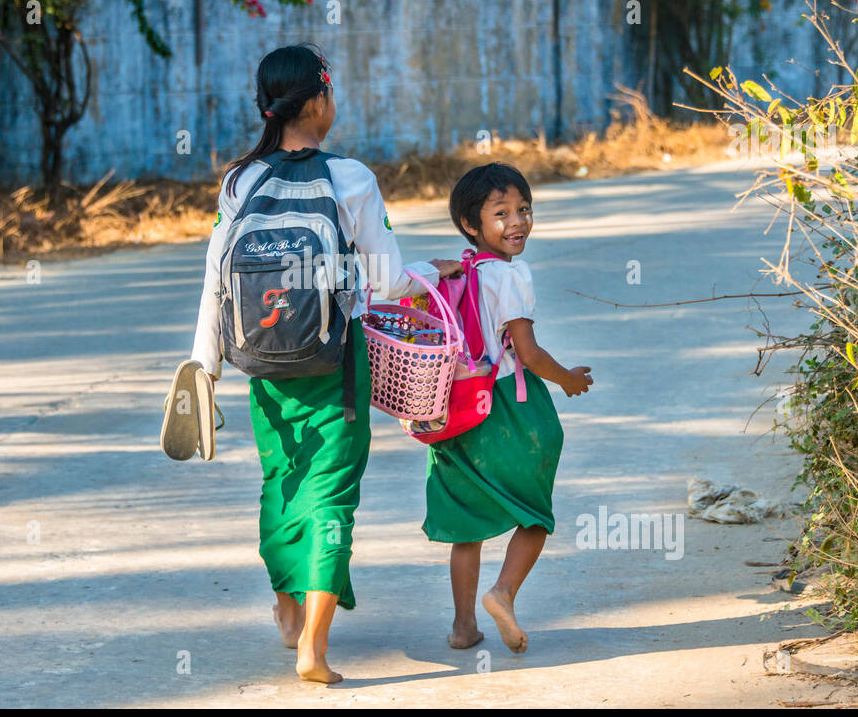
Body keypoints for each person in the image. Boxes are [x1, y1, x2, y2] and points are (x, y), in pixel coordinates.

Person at [190, 43, 461, 683]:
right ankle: (314, 646)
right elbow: (386, 279)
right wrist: (432, 273)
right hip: (335, 362)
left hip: (260, 362)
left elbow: (215, 277)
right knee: (331, 496)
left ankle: (288, 610)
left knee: (281, 482)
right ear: (317, 99)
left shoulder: (239, 180)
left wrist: (203, 364)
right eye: (331, 93)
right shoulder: (350, 178)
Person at [422, 162, 593, 654]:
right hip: (507, 407)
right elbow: (530, 352)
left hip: (455, 410)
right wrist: (568, 381)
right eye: (501, 213)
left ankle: (462, 627)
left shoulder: (458, 269)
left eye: (524, 209)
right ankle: (502, 593)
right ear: (471, 225)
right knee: (535, 512)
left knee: (467, 525)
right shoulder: (512, 276)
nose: (517, 221)